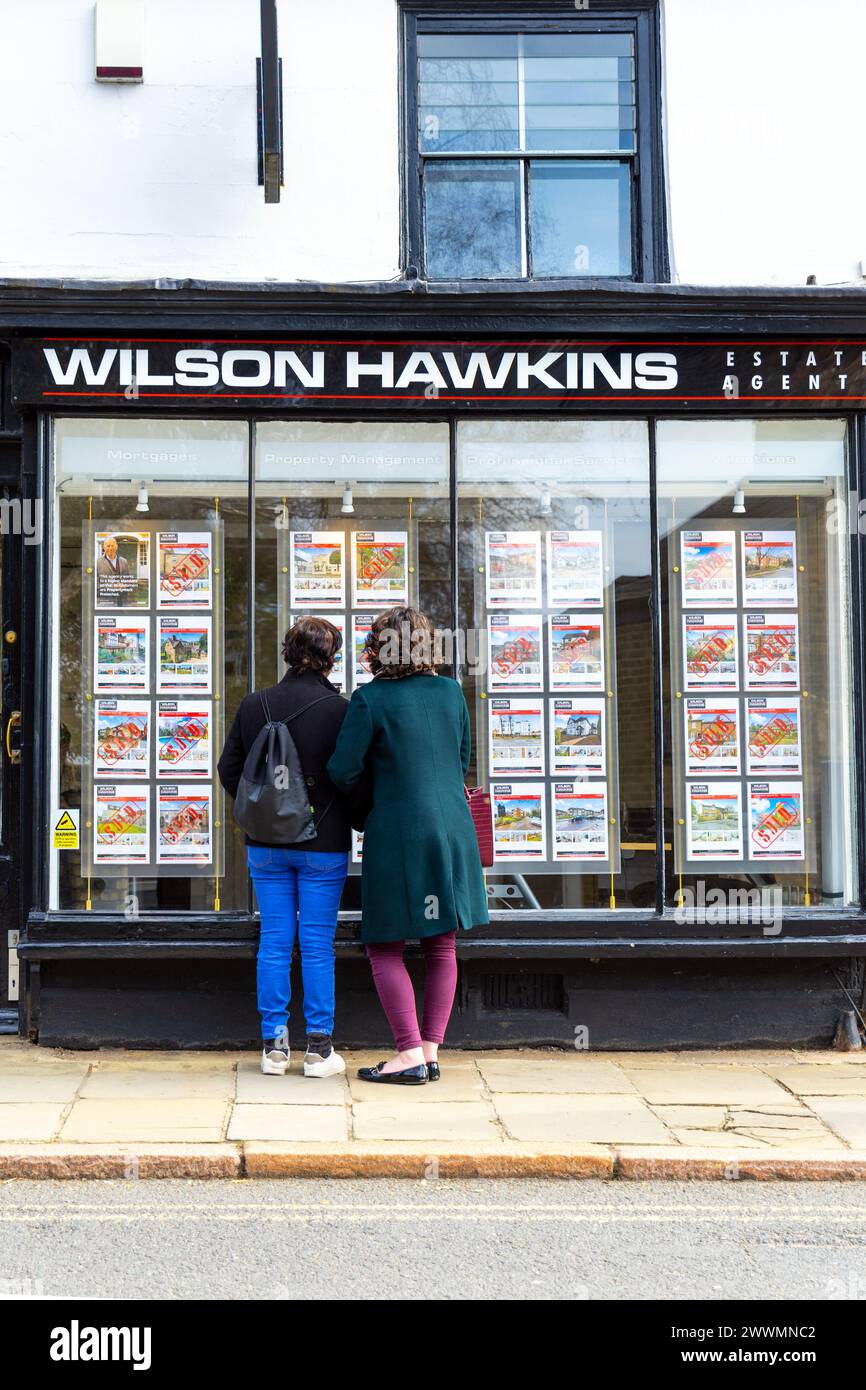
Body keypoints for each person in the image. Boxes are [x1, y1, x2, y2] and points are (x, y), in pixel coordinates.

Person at [327, 606, 489, 1085]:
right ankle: (432, 1050)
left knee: (384, 946)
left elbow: (342, 770)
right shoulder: (449, 691)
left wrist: (373, 795)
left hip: (399, 830)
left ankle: (407, 1053)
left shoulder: (370, 700)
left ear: (379, 649)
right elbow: (461, 759)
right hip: (453, 827)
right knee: (442, 944)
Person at [218, 617, 350, 1078]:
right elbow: (350, 775)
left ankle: (274, 1048)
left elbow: (228, 768)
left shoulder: (256, 704)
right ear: (331, 657)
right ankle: (319, 1049)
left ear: (287, 652)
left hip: (266, 843)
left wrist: (265, 809)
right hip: (324, 842)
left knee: (274, 942)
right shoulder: (340, 709)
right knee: (316, 946)